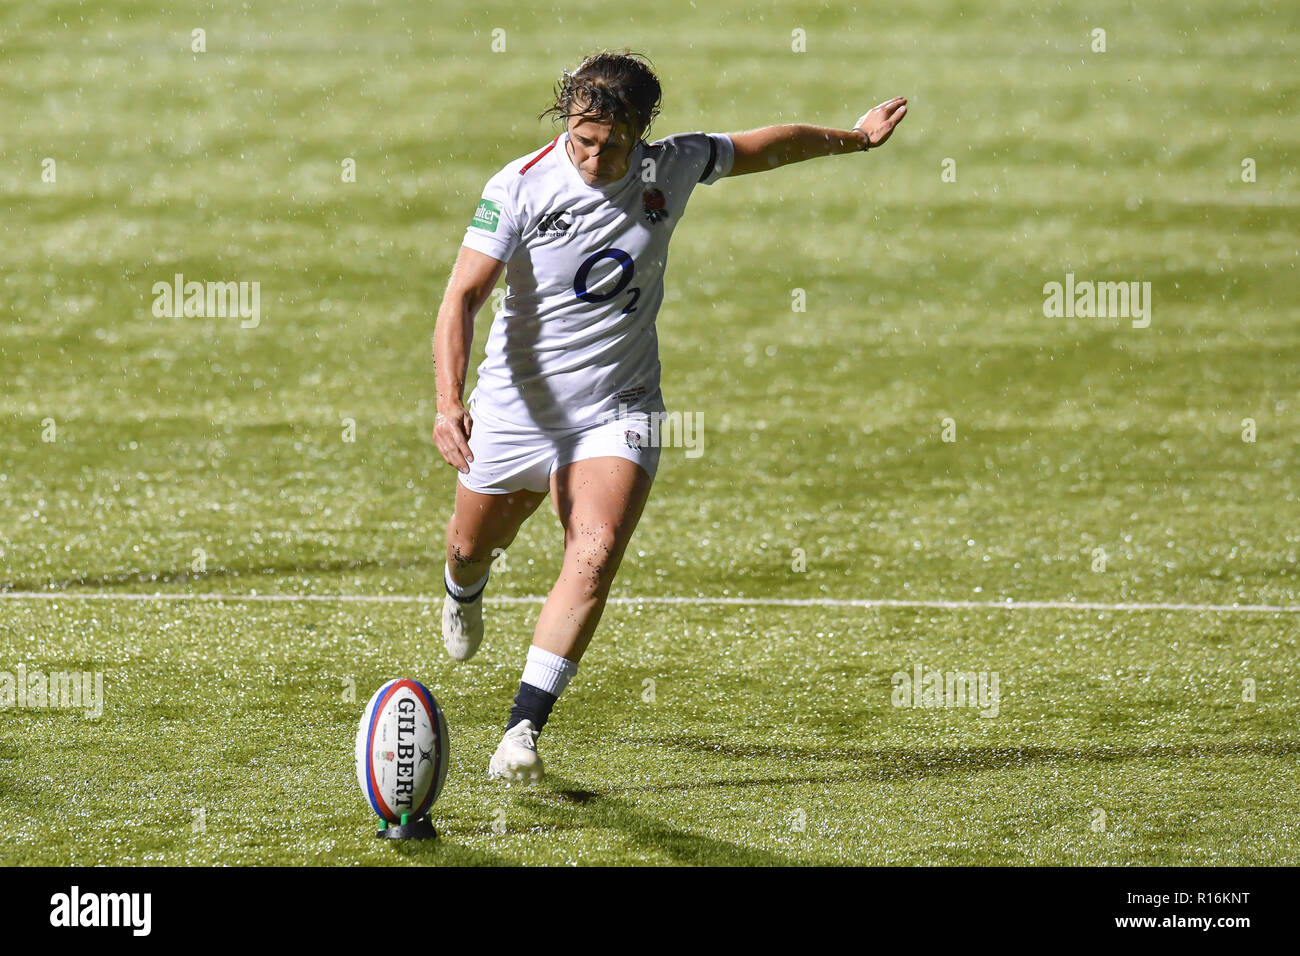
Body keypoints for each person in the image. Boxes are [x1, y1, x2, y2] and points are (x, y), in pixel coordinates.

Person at [432, 49, 907, 783]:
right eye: (583, 139)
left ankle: (523, 727)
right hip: (515, 409)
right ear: (567, 122)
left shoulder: (672, 168)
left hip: (617, 409)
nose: (594, 156)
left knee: (595, 548)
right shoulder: (519, 185)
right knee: (472, 546)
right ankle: (463, 592)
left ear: (643, 132)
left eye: (612, 143)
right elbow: (461, 297)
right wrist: (447, 403)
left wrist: (854, 138)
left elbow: (769, 145)